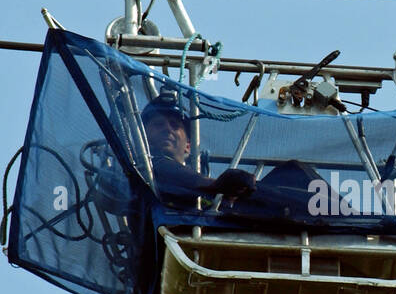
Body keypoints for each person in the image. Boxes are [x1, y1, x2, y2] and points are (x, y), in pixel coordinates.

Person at [140, 92, 334, 220]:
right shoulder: (147, 169)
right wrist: (217, 185)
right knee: (298, 190)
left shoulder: (194, 178)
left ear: (188, 146)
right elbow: (177, 176)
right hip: (211, 225)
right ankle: (345, 220)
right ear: (143, 137)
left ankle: (350, 221)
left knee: (294, 172)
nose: (167, 130)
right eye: (158, 125)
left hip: (234, 212)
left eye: (175, 126)